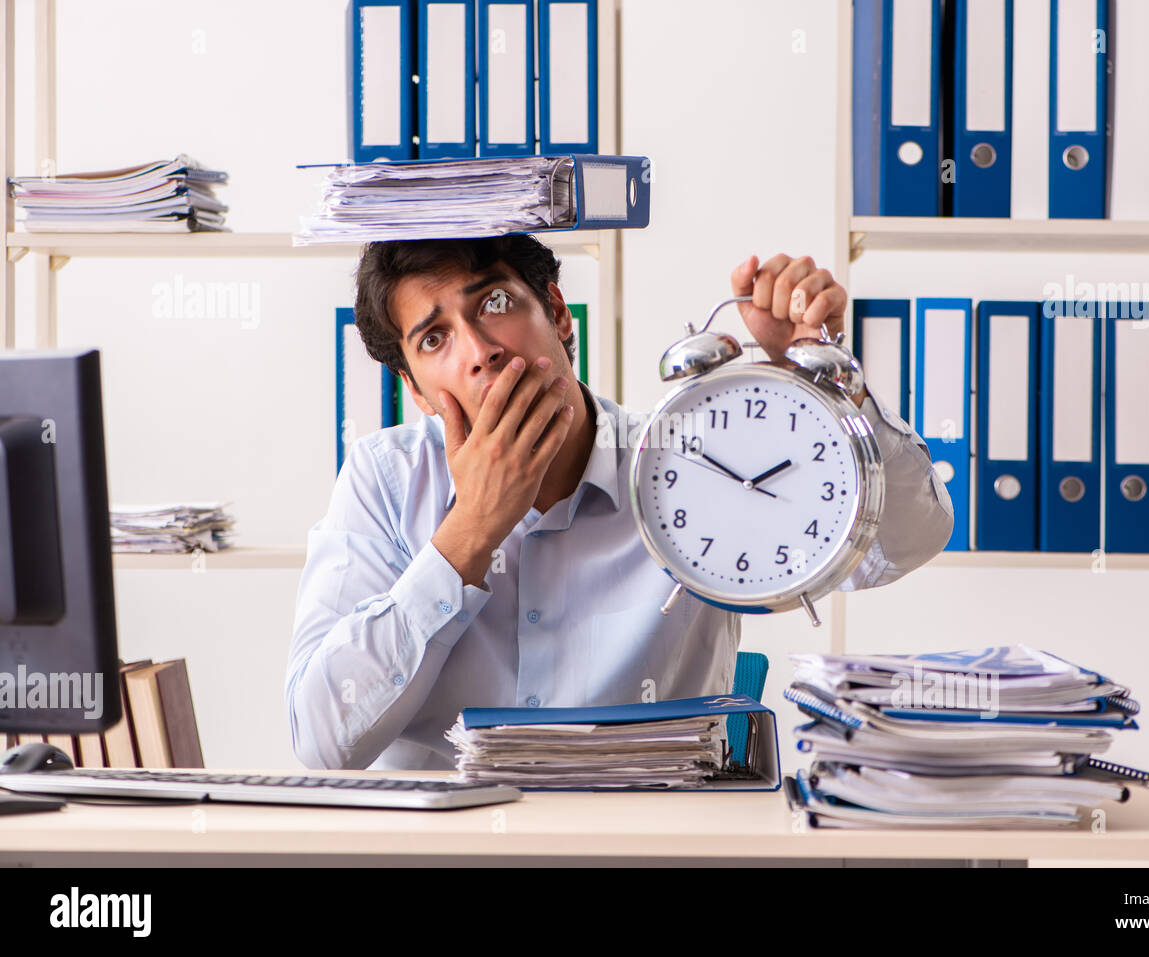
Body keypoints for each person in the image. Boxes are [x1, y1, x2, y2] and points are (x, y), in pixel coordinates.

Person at [286, 236, 953, 770]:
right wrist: (468, 536)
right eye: (435, 339)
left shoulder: (688, 461)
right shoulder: (382, 480)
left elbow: (909, 539)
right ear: (417, 389)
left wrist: (824, 380)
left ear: (554, 310)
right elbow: (325, 741)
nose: (481, 352)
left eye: (492, 303)